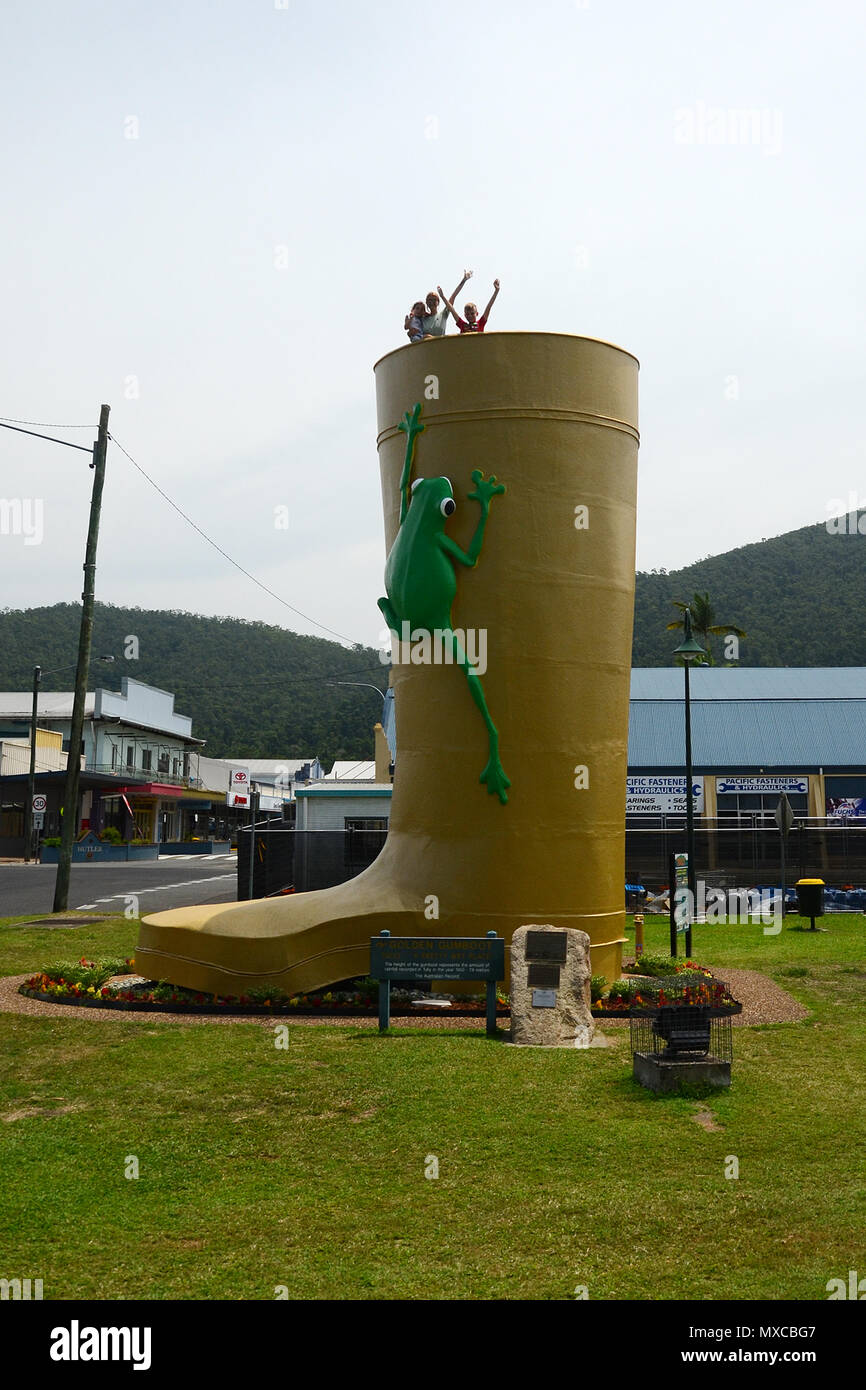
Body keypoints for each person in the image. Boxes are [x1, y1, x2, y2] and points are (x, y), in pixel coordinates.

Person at [421, 270, 473, 337]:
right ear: (427, 303)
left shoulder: (443, 314)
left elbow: (453, 296)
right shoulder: (423, 318)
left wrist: (464, 280)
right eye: (430, 300)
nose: (432, 302)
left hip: (441, 345)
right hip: (426, 346)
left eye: (434, 300)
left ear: (438, 302)